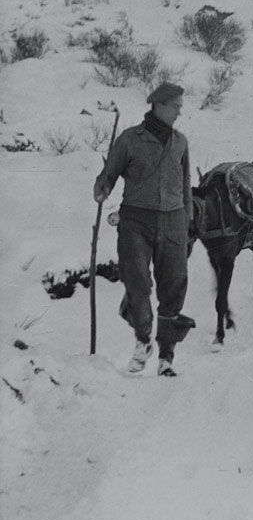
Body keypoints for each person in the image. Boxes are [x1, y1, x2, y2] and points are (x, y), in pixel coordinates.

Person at [93, 82, 195, 377]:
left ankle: (166, 356)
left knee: (173, 287)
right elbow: (108, 174)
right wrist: (102, 189)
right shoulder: (129, 140)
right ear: (159, 105)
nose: (179, 111)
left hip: (174, 220)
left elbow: (186, 186)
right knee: (136, 282)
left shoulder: (181, 142)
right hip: (136, 221)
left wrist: (187, 224)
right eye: (175, 106)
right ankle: (142, 340)